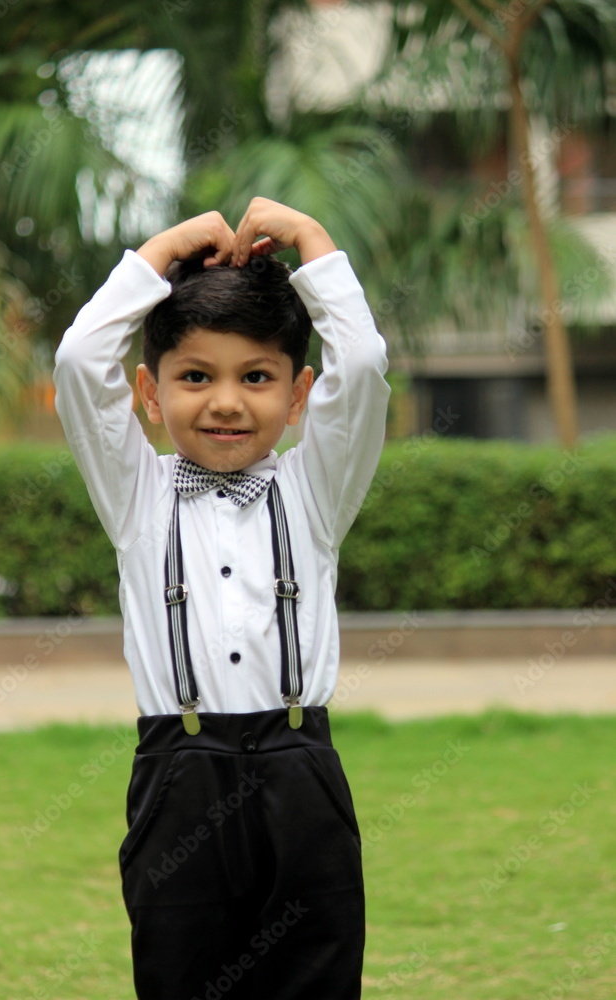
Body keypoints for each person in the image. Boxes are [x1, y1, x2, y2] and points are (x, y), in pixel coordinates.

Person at [53, 196, 390, 1000]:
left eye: (257, 377)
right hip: (178, 773)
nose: (227, 402)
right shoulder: (135, 493)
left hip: (300, 770)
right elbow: (75, 359)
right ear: (148, 389)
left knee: (315, 974)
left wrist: (312, 239)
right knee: (179, 977)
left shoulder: (317, 488)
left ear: (300, 394)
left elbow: (366, 363)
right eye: (196, 377)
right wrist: (161, 251)